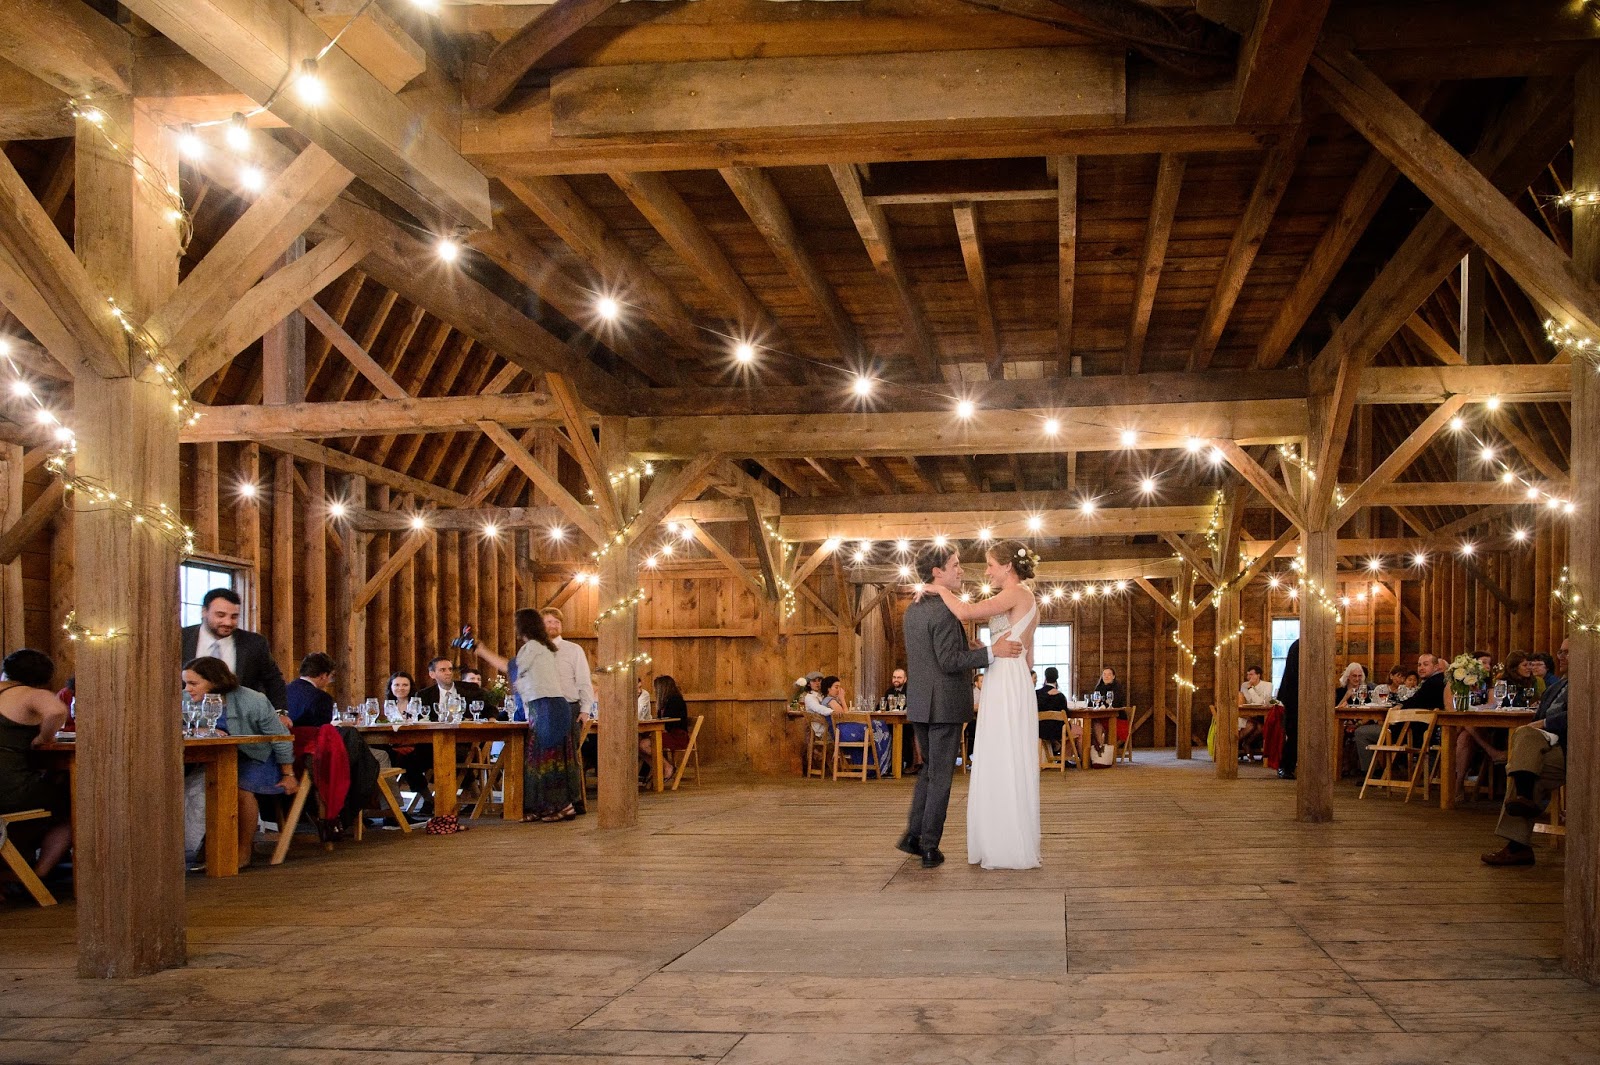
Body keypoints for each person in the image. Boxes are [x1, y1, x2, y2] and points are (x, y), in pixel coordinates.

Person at [896, 542, 1022, 869]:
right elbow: (950, 661)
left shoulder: (913, 609)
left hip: (921, 703)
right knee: (940, 776)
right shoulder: (944, 610)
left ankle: (913, 835)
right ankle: (928, 847)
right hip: (945, 705)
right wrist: (992, 652)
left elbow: (930, 660)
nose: (961, 570)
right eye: (955, 565)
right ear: (937, 572)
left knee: (928, 772)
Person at [182, 656, 296, 871]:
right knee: (197, 787)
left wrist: (288, 774)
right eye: (186, 683)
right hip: (215, 758)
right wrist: (200, 730)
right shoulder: (186, 700)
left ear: (214, 681)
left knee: (239, 789)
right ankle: (206, 846)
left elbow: (280, 736)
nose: (187, 689)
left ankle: (243, 851)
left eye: (193, 683)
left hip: (257, 756)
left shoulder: (252, 700)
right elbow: (177, 726)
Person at [471, 609, 576, 822]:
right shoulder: (542, 647)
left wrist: (481, 650)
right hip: (547, 707)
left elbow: (511, 668)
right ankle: (544, 806)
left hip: (548, 707)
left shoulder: (533, 647)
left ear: (522, 626)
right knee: (537, 759)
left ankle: (563, 806)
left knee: (547, 759)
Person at [1482, 639, 1571, 867]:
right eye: (1560, 651)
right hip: (1546, 750)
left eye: (1568, 652)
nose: (1561, 656)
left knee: (1520, 762)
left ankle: (1517, 846)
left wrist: (1544, 723)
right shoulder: (1555, 687)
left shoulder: (1590, 683)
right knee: (1523, 760)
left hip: (1573, 751)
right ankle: (1519, 836)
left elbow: (1577, 716)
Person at [0, 649, 71, 883]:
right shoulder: (29, 694)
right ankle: (37, 873)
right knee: (75, 805)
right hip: (8, 789)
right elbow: (57, 710)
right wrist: (44, 738)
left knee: (50, 788)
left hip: (10, 787)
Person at [181, 588, 287, 710]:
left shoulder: (254, 643)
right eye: (220, 615)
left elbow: (273, 680)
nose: (228, 622)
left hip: (240, 720)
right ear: (204, 611)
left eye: (234, 617)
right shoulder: (180, 638)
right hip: (187, 717)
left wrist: (280, 712)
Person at [1354, 652, 1444, 776]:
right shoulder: (1436, 682)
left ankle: (1371, 772)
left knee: (1361, 732)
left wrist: (1400, 706)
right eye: (1419, 665)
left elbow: (1414, 702)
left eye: (1425, 664)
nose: (1421, 668)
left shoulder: (1432, 683)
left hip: (1410, 733)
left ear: (1436, 667)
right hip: (1419, 732)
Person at [544, 608, 594, 811]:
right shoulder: (534, 650)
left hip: (568, 707)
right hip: (543, 708)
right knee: (546, 758)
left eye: (556, 622)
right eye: (548, 622)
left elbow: (584, 681)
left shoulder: (573, 650)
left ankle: (574, 800)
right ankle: (549, 801)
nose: (553, 626)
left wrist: (585, 709)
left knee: (569, 756)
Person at [382, 671, 433, 812]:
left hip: (420, 745)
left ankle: (427, 799)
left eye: (405, 684)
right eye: (397, 685)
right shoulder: (388, 706)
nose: (401, 688)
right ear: (391, 687)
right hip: (396, 745)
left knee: (408, 759)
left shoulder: (418, 704)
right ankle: (428, 799)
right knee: (389, 755)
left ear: (411, 687)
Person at [417, 657, 498, 717]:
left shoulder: (471, 689)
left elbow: (490, 709)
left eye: (450, 669)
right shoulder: (424, 695)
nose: (448, 673)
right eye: (443, 670)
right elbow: (419, 718)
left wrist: (491, 719)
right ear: (432, 674)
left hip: (467, 735)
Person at [650, 675, 693, 782]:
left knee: (645, 744)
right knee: (639, 744)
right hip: (668, 734)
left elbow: (671, 721)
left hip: (677, 736)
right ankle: (661, 768)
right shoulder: (666, 702)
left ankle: (667, 767)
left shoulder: (675, 701)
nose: (655, 691)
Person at [285, 652, 336, 728]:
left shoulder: (283, 691)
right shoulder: (322, 698)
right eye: (331, 676)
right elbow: (324, 731)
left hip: (283, 738)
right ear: (324, 675)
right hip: (309, 739)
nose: (329, 681)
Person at [1036, 666, 1071, 762]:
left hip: (1040, 729)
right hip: (1057, 731)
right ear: (1057, 677)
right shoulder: (1060, 695)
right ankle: (1064, 760)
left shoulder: (1037, 693)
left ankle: (1055, 746)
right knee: (1077, 732)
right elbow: (1066, 715)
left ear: (1045, 677)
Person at [1277, 639, 1301, 779]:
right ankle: (1286, 766)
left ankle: (1288, 766)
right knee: (1294, 734)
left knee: (1294, 734)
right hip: (1294, 695)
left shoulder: (1299, 644)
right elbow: (1294, 673)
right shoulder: (1299, 646)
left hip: (1295, 694)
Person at [1237, 665, 1272, 759]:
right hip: (1248, 713)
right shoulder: (1244, 685)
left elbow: (1261, 702)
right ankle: (1239, 745)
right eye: (1248, 675)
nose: (1249, 677)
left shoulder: (1267, 685)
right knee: (1252, 725)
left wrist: (1251, 689)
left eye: (1251, 674)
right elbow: (1246, 700)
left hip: (1262, 714)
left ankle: (1246, 744)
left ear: (1258, 675)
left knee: (1261, 727)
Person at [1089, 666, 1124, 754]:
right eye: (1104, 674)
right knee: (1094, 724)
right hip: (1101, 718)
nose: (1106, 676)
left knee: (1097, 724)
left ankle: (1101, 751)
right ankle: (1099, 749)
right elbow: (1091, 703)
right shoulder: (1099, 688)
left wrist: (1104, 706)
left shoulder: (1117, 688)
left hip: (1116, 718)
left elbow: (1116, 703)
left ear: (1113, 676)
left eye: (1109, 674)